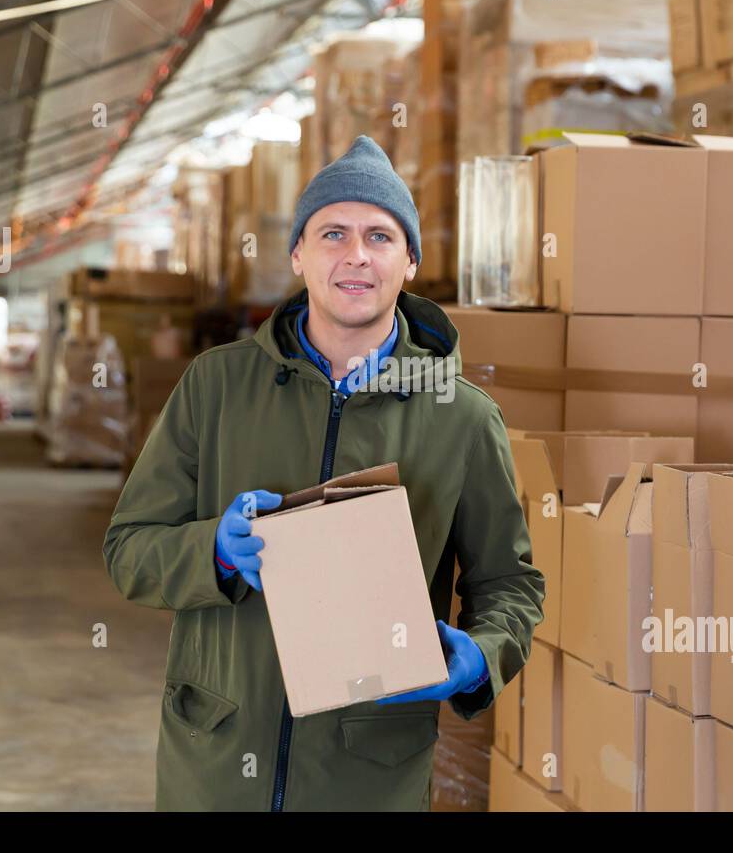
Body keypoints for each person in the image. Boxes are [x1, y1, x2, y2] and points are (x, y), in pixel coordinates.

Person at [104, 135, 545, 811]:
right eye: (332, 232)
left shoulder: (462, 418)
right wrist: (211, 553)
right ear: (298, 254)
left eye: (380, 236)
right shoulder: (216, 387)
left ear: (411, 261)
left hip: (365, 776)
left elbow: (510, 586)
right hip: (216, 764)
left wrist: (479, 656)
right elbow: (129, 548)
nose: (356, 255)